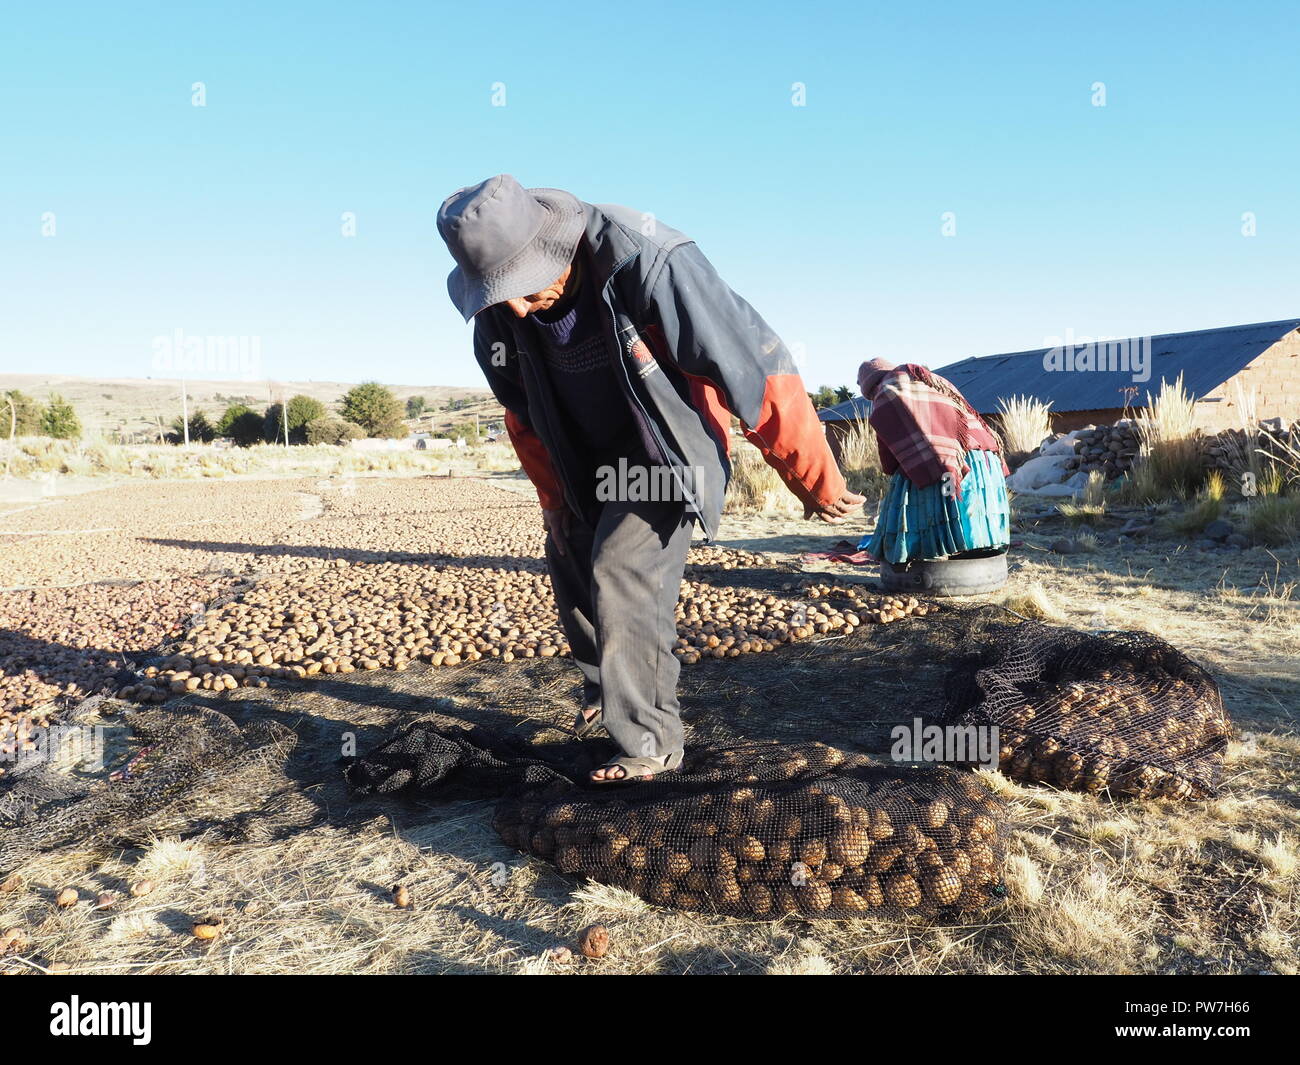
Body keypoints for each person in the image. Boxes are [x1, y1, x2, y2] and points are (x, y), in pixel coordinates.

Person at [436, 175, 863, 783]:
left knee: (622, 567)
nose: (515, 308)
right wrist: (554, 500)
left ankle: (648, 743)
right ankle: (609, 688)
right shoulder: (501, 313)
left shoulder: (647, 259)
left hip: (663, 447)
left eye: (524, 287)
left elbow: (752, 364)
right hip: (582, 455)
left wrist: (811, 474)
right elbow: (522, 414)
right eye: (498, 293)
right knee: (572, 560)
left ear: (555, 249)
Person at [855, 357, 1010, 563]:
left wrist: (896, 470)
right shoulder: (927, 379)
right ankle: (977, 548)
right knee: (970, 503)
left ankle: (933, 549)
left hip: (950, 457)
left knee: (937, 496)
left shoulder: (887, 391)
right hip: (981, 454)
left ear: (868, 385)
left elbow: (891, 443)